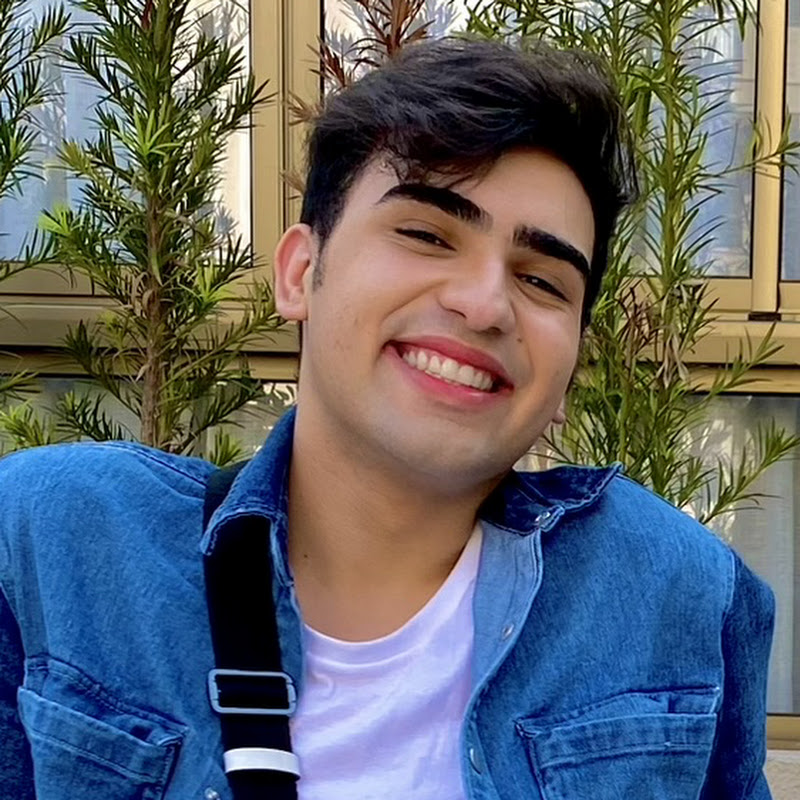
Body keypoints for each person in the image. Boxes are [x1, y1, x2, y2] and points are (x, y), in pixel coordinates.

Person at [0, 36, 774, 800]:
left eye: (542, 282)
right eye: (427, 234)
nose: (485, 303)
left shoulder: (679, 593)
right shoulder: (54, 544)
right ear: (300, 273)